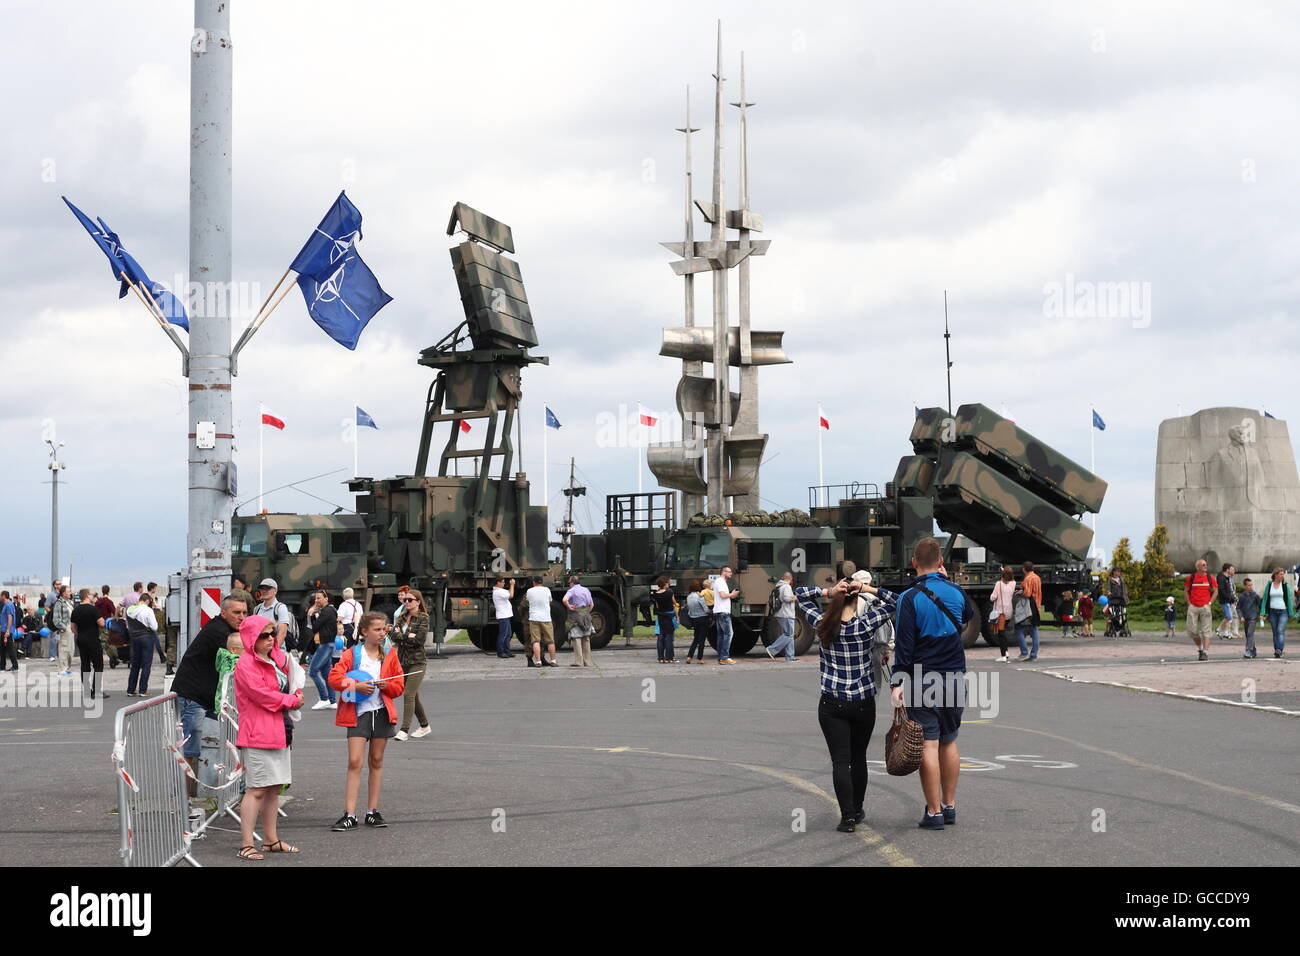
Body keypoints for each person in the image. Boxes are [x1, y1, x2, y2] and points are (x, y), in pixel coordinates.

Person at [793, 575, 897, 833]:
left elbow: (799, 594)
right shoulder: (865, 624)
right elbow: (897, 602)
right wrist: (869, 588)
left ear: (839, 597)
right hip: (862, 700)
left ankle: (847, 816)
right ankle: (858, 806)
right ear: (857, 598)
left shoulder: (823, 624)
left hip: (832, 702)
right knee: (858, 757)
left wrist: (828, 591)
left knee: (840, 760)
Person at [890, 538, 975, 830]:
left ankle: (934, 811)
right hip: (954, 676)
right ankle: (950, 806)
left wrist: (897, 681)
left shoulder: (908, 598)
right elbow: (967, 617)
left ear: (914, 562)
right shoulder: (956, 591)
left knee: (928, 743)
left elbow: (904, 644)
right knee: (949, 741)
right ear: (940, 562)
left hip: (922, 679)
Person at [233, 614, 304, 860]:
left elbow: (287, 683)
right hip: (258, 733)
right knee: (256, 790)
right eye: (264, 635)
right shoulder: (245, 664)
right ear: (252, 637)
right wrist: (292, 700)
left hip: (278, 730)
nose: (270, 639)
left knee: (273, 789)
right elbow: (262, 695)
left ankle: (271, 841)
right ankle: (246, 844)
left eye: (273, 634)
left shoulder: (274, 659)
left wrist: (295, 693)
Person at [328, 611, 405, 830]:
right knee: (354, 762)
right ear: (364, 631)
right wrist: (354, 686)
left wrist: (386, 686)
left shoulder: (389, 655)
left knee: (377, 761)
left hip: (381, 713)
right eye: (377, 629)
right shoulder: (352, 654)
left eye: (384, 629)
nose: (382, 633)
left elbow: (398, 686)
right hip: (358, 713)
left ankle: (372, 811)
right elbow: (334, 678)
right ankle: (349, 814)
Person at [172, 594, 248, 794]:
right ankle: (185, 801)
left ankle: (196, 796)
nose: (241, 617)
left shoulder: (227, 629)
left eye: (244, 612)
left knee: (204, 746)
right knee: (189, 750)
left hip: (204, 697)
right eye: (236, 612)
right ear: (224, 613)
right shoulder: (219, 631)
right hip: (193, 696)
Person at [390, 589, 430, 740]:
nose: (406, 602)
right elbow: (393, 635)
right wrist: (407, 636)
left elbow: (420, 640)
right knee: (414, 695)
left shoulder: (423, 618)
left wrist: (402, 636)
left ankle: (404, 730)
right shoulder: (401, 617)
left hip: (418, 662)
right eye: (405, 600)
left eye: (410, 600)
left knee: (408, 694)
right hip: (403, 661)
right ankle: (424, 726)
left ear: (418, 602)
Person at [69, 589, 107, 700]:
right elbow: (101, 623)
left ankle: (87, 690)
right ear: (87, 596)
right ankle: (97, 691)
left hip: (81, 639)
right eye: (91, 594)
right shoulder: (92, 609)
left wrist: (80, 634)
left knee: (85, 665)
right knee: (98, 665)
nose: (92, 596)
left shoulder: (75, 610)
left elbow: (73, 627)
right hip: (93, 640)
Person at [306, 590, 339, 711]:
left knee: (313, 671)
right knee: (326, 673)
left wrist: (311, 615)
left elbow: (315, 627)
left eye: (319, 598)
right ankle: (332, 700)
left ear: (326, 598)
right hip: (328, 644)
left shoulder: (327, 611)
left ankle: (324, 698)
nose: (316, 601)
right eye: (315, 599)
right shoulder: (329, 610)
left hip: (325, 644)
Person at [125, 593, 160, 696]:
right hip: (146, 638)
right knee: (146, 664)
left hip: (134, 638)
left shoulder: (129, 609)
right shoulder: (148, 610)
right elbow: (154, 627)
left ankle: (131, 690)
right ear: (147, 601)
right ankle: (142, 690)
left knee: (135, 664)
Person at [1184, 559, 1218, 661]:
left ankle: (1205, 653)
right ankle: (1200, 648)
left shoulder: (1210, 578)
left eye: (1206, 565)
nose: (1205, 566)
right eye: (1203, 565)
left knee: (1206, 631)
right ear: (1198, 567)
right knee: (1191, 631)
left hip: (1205, 607)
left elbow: (1215, 591)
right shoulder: (1191, 578)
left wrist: (1210, 603)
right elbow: (1186, 591)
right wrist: (1189, 603)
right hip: (1193, 606)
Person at [1257, 568, 1291, 659]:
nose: (1282, 576)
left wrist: (1290, 613)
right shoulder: (1269, 585)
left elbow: (1289, 600)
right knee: (1275, 632)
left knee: (1280, 630)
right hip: (1272, 612)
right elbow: (1265, 599)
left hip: (1283, 611)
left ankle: (1279, 649)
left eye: (1283, 574)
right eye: (1280, 574)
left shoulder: (1285, 586)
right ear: (1275, 575)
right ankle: (1277, 651)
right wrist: (1263, 612)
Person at [524, 577, 558, 668]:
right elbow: (550, 600)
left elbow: (526, 602)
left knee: (535, 641)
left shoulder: (529, 591)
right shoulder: (547, 590)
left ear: (533, 582)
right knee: (550, 641)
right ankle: (553, 661)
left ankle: (538, 662)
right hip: (546, 618)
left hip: (534, 618)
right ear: (542, 582)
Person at [562, 576, 595, 667]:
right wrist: (585, 612)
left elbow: (564, 600)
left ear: (572, 583)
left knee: (576, 638)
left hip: (575, 615)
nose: (569, 584)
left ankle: (579, 662)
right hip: (586, 615)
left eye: (569, 583)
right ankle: (588, 662)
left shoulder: (571, 590)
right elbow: (591, 605)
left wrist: (569, 606)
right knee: (586, 638)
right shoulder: (586, 590)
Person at [766, 571, 798, 661]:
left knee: (790, 635)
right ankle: (772, 649)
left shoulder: (779, 586)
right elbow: (787, 598)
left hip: (780, 613)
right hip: (786, 614)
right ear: (790, 579)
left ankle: (790, 656)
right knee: (788, 634)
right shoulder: (787, 586)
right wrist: (796, 597)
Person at [712, 567, 741, 664]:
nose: (731, 573)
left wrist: (730, 594)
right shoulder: (720, 582)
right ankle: (724, 657)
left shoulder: (719, 581)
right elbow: (722, 595)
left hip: (720, 611)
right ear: (724, 572)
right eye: (729, 571)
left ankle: (721, 657)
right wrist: (732, 594)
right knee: (729, 634)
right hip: (723, 611)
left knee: (721, 635)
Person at [1016, 562, 1042, 662]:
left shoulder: (1028, 579)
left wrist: (1019, 593)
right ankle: (1034, 654)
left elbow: (1027, 593)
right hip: (1037, 605)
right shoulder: (1037, 578)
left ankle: (1024, 653)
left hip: (1028, 607)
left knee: (1019, 629)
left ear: (1024, 569)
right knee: (1034, 631)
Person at [254, 579, 292, 647]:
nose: (264, 591)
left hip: (275, 651)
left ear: (275, 591)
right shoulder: (257, 609)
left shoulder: (280, 608)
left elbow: (282, 633)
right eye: (262, 588)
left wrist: (274, 651)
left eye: (267, 588)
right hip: (260, 651)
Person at [989, 566, 1015, 662]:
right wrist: (1004, 571)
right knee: (1003, 632)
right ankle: (1006, 651)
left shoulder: (998, 584)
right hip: (1009, 611)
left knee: (1001, 633)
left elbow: (993, 597)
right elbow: (1010, 578)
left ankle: (1003, 654)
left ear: (1002, 575)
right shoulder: (1013, 584)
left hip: (1000, 611)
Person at [683, 579, 710, 664]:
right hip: (703, 619)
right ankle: (699, 658)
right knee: (702, 640)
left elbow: (689, 610)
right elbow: (706, 610)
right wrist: (711, 611)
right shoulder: (700, 597)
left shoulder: (688, 597)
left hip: (694, 619)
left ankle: (689, 657)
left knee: (696, 639)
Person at [651, 576, 678, 663]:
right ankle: (669, 658)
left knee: (661, 637)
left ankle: (661, 657)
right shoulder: (669, 592)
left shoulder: (656, 594)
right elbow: (674, 602)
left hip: (660, 616)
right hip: (669, 616)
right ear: (665, 584)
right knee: (669, 637)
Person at [51, 585, 74, 676]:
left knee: (70, 649)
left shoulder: (69, 602)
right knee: (63, 649)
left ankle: (67, 667)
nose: (70, 593)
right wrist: (64, 628)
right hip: (65, 629)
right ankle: (61, 670)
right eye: (68, 591)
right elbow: (56, 619)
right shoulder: (59, 603)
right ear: (64, 593)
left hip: (71, 628)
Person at [491, 576, 516, 659]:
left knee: (508, 634)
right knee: (503, 635)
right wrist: (512, 584)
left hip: (506, 615)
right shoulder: (498, 592)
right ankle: (500, 652)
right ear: (498, 583)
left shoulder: (500, 590)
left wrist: (510, 586)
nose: (504, 583)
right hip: (503, 616)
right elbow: (511, 595)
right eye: (503, 582)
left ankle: (507, 651)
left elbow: (508, 592)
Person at [95, 586, 118, 668]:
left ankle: (99, 658)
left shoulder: (98, 602)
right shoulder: (108, 601)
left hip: (97, 624)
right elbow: (114, 612)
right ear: (108, 591)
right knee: (107, 642)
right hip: (106, 624)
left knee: (100, 641)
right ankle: (113, 657)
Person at [1238, 577, 1261, 660]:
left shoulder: (1255, 595)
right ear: (1245, 586)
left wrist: (1260, 614)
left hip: (1253, 618)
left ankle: (1248, 650)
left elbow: (1260, 605)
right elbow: (1238, 608)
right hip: (1245, 618)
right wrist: (1241, 616)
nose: (1250, 587)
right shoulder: (1242, 596)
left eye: (1251, 585)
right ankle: (1253, 650)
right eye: (1248, 585)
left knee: (1250, 633)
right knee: (1248, 635)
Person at [1215, 564, 1238, 639]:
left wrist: (1233, 598)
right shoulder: (1221, 578)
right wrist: (1230, 598)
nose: (1233, 571)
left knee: (1228, 617)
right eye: (1232, 569)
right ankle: (1219, 629)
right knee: (1228, 616)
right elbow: (1221, 590)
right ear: (1227, 570)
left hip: (1228, 600)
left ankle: (1225, 632)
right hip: (1224, 600)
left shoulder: (1227, 578)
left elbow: (1230, 590)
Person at [0, 592, 17, 671]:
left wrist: (7, 631)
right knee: (2, 649)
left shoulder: (8, 605)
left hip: (7, 631)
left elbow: (10, 618)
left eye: (0, 595)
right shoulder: (6, 604)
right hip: (3, 629)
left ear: (3, 596)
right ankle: (2, 666)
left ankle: (15, 666)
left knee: (10, 649)